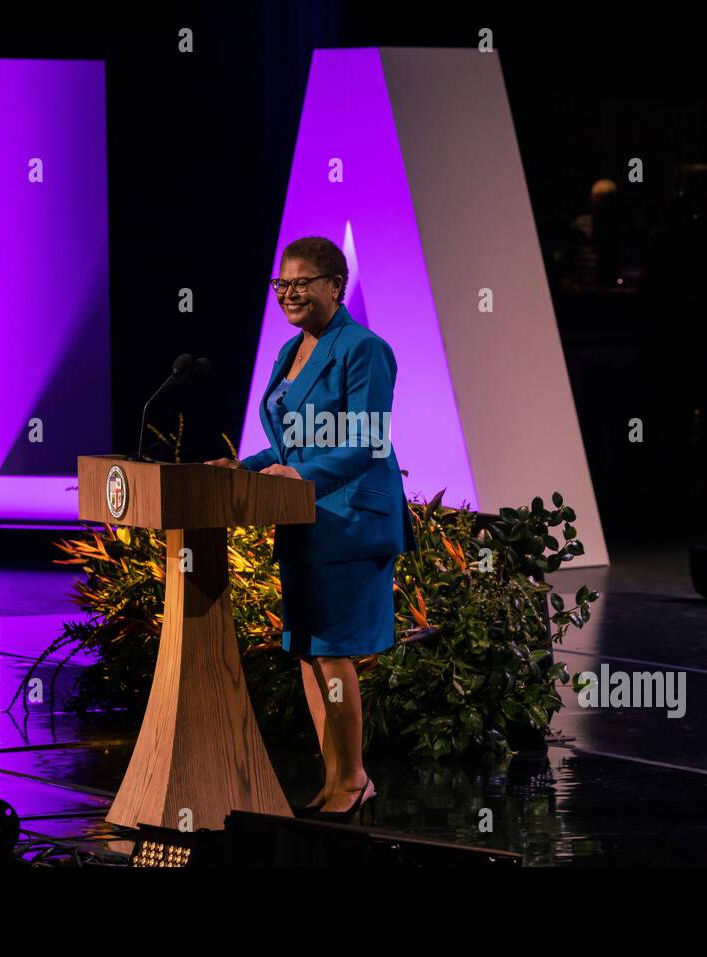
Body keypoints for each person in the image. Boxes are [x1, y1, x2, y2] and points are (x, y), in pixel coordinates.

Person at [205, 236, 415, 824]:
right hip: (304, 516)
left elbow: (365, 441)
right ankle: (335, 779)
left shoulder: (365, 349)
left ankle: (351, 778)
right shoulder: (291, 350)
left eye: (302, 283)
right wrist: (243, 468)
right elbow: (292, 442)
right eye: (282, 285)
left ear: (334, 286)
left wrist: (293, 474)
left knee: (335, 655)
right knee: (309, 652)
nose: (289, 294)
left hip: (350, 519)